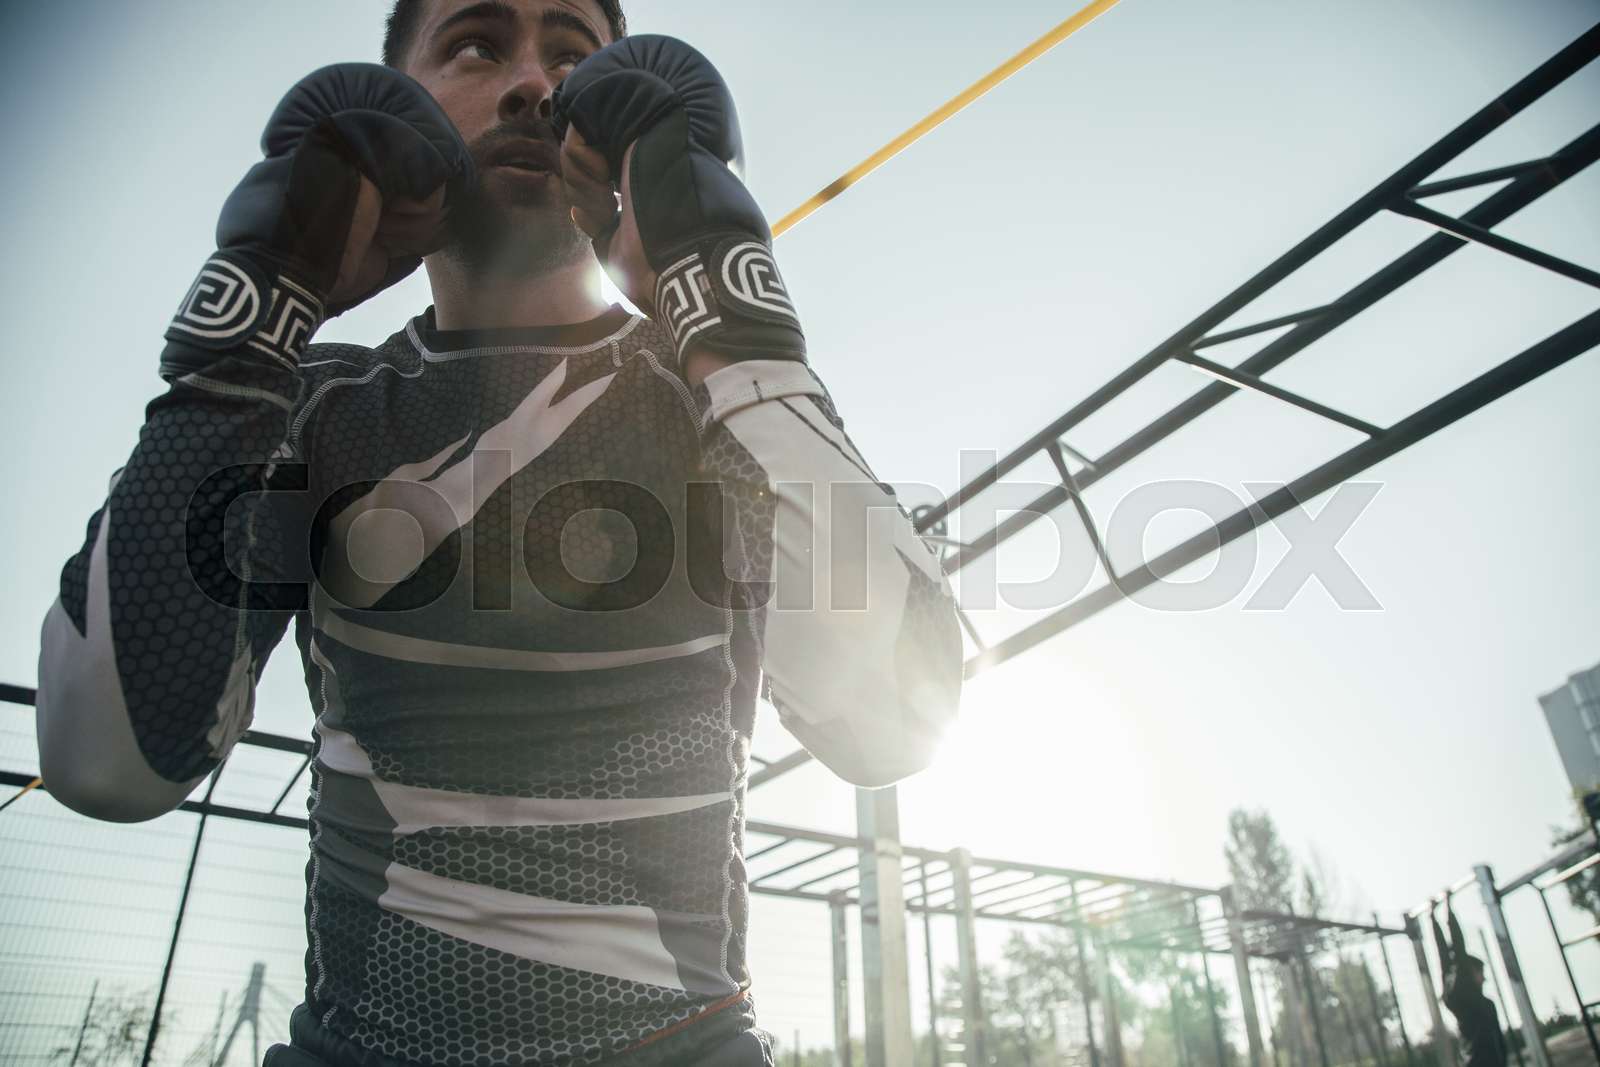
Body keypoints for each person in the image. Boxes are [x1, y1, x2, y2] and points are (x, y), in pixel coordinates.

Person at [32, 2, 964, 1064]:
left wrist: (727, 311)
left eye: (575, 55)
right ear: (398, 103)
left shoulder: (709, 395)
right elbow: (104, 760)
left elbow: (895, 718)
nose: (534, 84)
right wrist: (252, 324)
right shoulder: (315, 404)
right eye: (478, 45)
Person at [1431, 899, 1510, 1067]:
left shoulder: (1453, 996)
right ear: (1470, 972)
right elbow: (1458, 949)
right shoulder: (1472, 999)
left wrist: (1434, 918)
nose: (1484, 978)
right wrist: (1448, 909)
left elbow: (1443, 955)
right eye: (1481, 973)